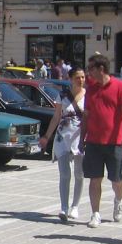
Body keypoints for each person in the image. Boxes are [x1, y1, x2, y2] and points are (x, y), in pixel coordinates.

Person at [82, 53, 122, 228]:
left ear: (101, 69)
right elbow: (86, 116)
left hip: (115, 142)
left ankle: (118, 200)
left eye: (91, 69)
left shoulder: (121, 86)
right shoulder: (91, 89)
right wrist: (82, 138)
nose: (89, 73)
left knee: (117, 179)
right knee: (94, 179)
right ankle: (95, 213)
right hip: (94, 142)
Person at [39, 66, 86, 223]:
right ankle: (64, 208)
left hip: (81, 138)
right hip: (63, 138)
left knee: (79, 174)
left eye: (83, 77)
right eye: (78, 77)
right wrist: (46, 136)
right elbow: (56, 117)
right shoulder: (62, 95)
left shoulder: (90, 96)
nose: (81, 80)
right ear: (70, 79)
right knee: (65, 174)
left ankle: (75, 207)